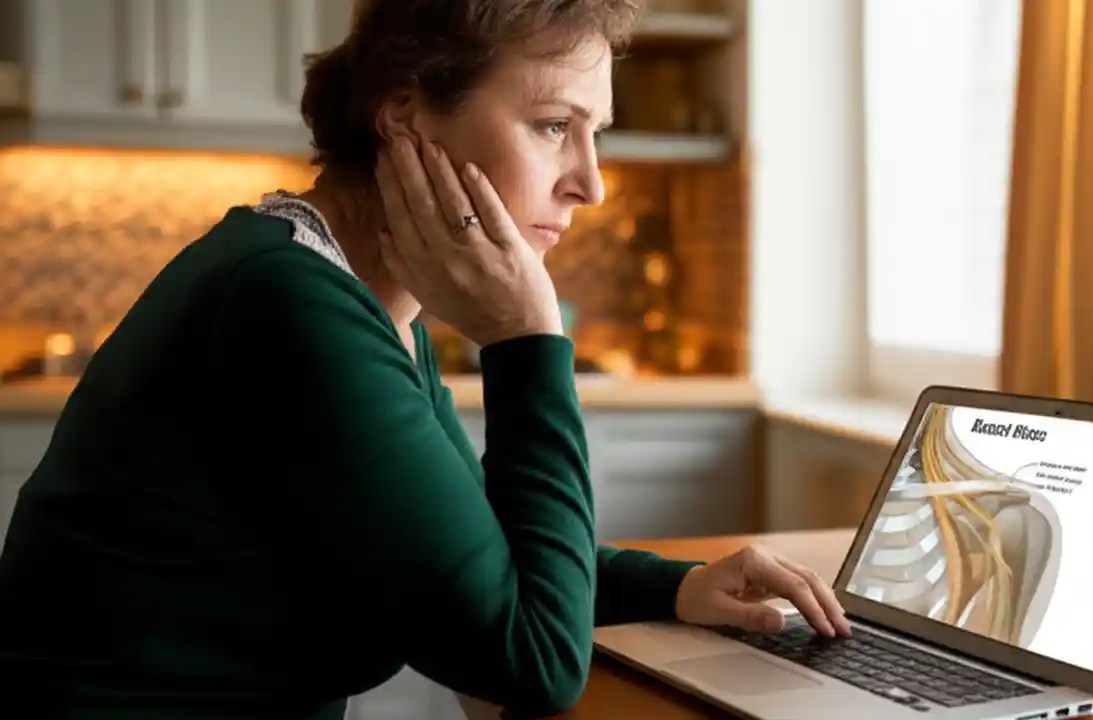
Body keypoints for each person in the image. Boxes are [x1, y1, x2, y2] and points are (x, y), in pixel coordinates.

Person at [0, 1, 852, 717]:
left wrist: (678, 586)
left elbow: (472, 552)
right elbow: (531, 662)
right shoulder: (285, 304)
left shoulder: (347, 287)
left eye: (595, 134)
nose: (591, 182)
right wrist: (529, 339)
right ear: (405, 116)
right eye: (555, 126)